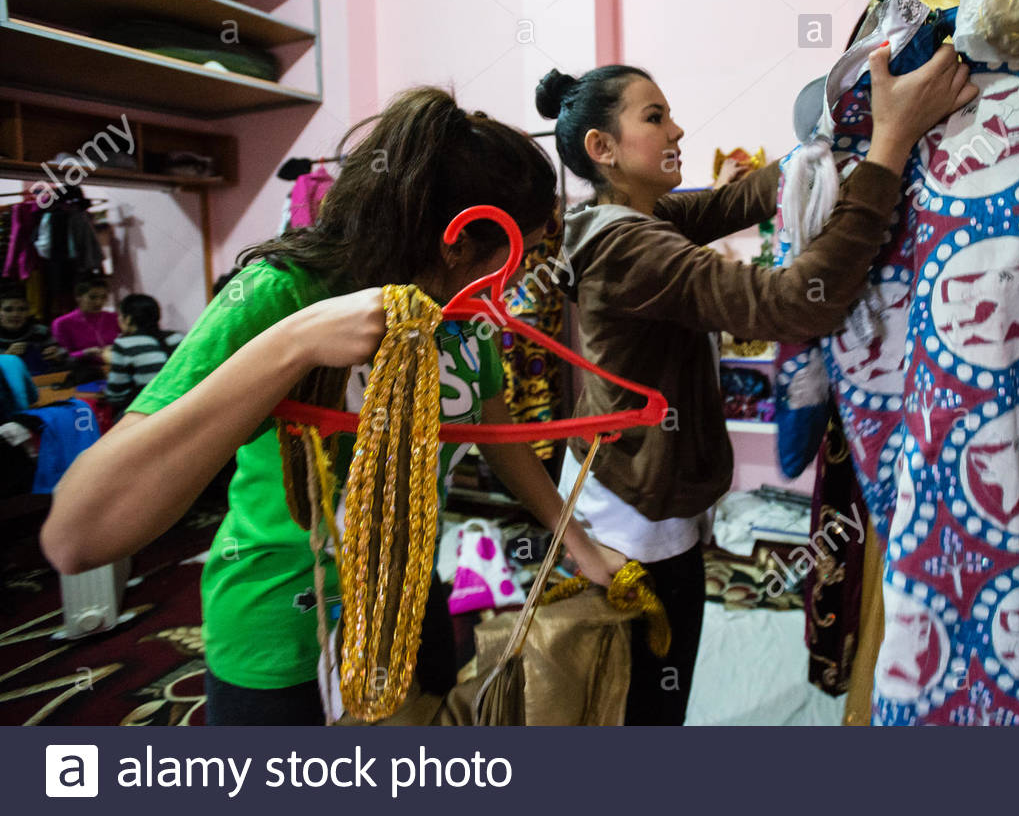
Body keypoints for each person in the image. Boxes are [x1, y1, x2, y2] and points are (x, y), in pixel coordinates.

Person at [41, 87, 627, 725]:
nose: (521, 277)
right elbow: (77, 536)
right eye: (521, 253)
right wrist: (293, 345)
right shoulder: (283, 293)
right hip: (281, 629)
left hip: (403, 603)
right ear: (458, 243)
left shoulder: (466, 314)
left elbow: (495, 430)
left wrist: (577, 542)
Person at [536, 44, 976, 724]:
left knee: (646, 699)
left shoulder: (629, 220)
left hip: (627, 492)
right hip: (630, 521)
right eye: (656, 117)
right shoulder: (628, 246)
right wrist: (887, 147)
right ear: (604, 147)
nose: (678, 131)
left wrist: (832, 143)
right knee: (644, 706)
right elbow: (796, 303)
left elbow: (732, 200)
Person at [103, 294, 184, 415]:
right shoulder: (176, 337)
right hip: (183, 405)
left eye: (120, 315)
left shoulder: (124, 344)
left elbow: (116, 396)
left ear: (128, 318)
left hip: (151, 412)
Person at [0, 281, 67, 375]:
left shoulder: (40, 331)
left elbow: (63, 353)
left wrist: (58, 354)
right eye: (8, 310)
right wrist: (7, 357)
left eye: (22, 309)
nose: (15, 314)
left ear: (28, 312)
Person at [51, 275, 118, 364]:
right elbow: (61, 357)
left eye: (103, 297)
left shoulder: (114, 318)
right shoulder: (62, 323)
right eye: (92, 297)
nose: (99, 302)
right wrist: (84, 353)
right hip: (83, 370)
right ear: (78, 298)